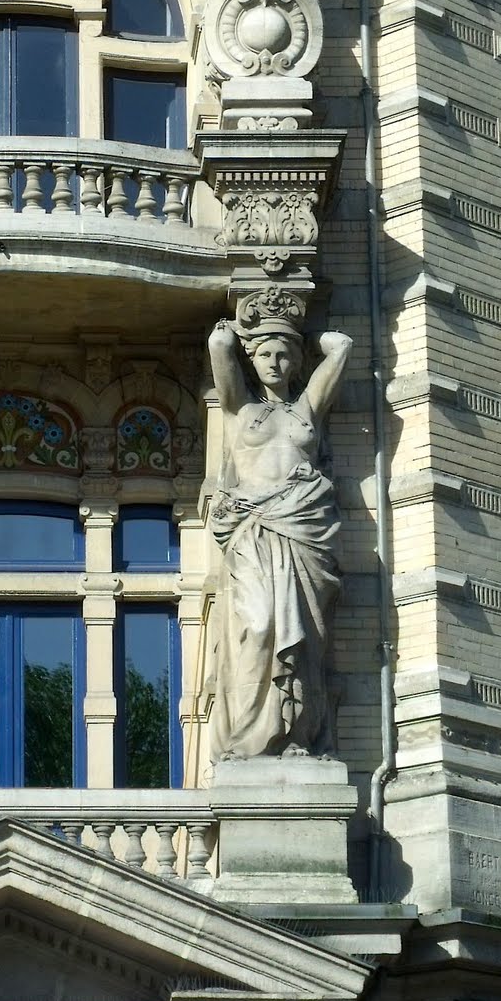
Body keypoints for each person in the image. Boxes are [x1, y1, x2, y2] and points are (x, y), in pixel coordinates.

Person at [207, 290, 351, 761]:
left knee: (306, 640)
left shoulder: (305, 411)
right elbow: (220, 354)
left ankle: (294, 735)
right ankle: (251, 737)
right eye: (265, 353)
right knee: (260, 623)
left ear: (295, 363)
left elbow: (341, 351)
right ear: (253, 357)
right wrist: (227, 337)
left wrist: (326, 339)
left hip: (303, 530)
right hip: (254, 529)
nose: (273, 362)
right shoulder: (240, 410)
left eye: (283, 355)